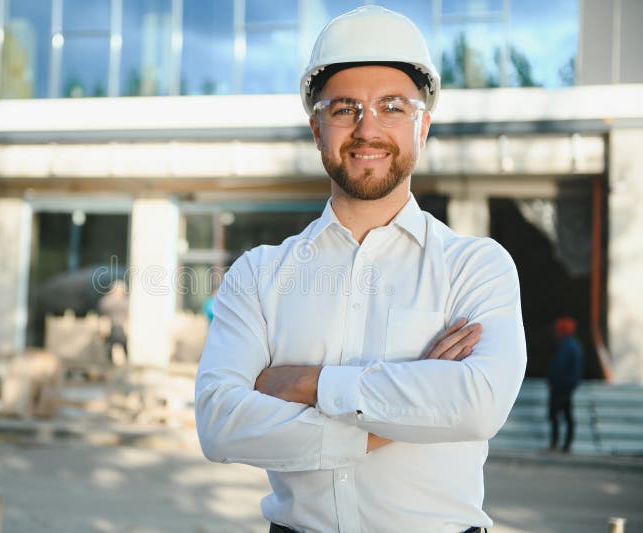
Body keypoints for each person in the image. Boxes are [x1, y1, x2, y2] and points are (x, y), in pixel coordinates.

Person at [195, 5, 527, 533]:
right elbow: (219, 423)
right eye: (344, 108)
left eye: (392, 107)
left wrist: (307, 383)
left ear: (423, 126)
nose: (367, 128)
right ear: (316, 128)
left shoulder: (475, 266)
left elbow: (479, 405)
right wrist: (395, 415)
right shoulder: (259, 274)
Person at [547, 316, 583, 453]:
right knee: (566, 416)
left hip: (561, 387)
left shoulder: (567, 346)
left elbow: (559, 367)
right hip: (566, 386)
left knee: (556, 415)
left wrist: (554, 382)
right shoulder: (574, 345)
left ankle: (557, 444)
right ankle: (565, 445)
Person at [98, 280, 128, 364]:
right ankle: (109, 361)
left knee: (123, 344)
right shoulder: (109, 301)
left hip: (122, 326)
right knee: (110, 345)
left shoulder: (108, 300)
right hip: (112, 326)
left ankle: (122, 360)